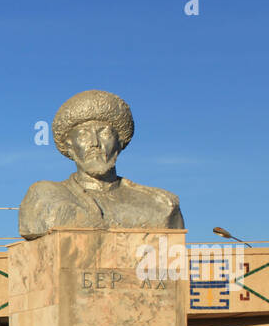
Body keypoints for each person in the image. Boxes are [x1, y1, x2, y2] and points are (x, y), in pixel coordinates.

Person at [18, 89, 184, 241]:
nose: (95, 143)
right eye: (84, 135)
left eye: (104, 133)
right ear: (70, 146)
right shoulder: (45, 197)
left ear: (119, 142)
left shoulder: (161, 204)